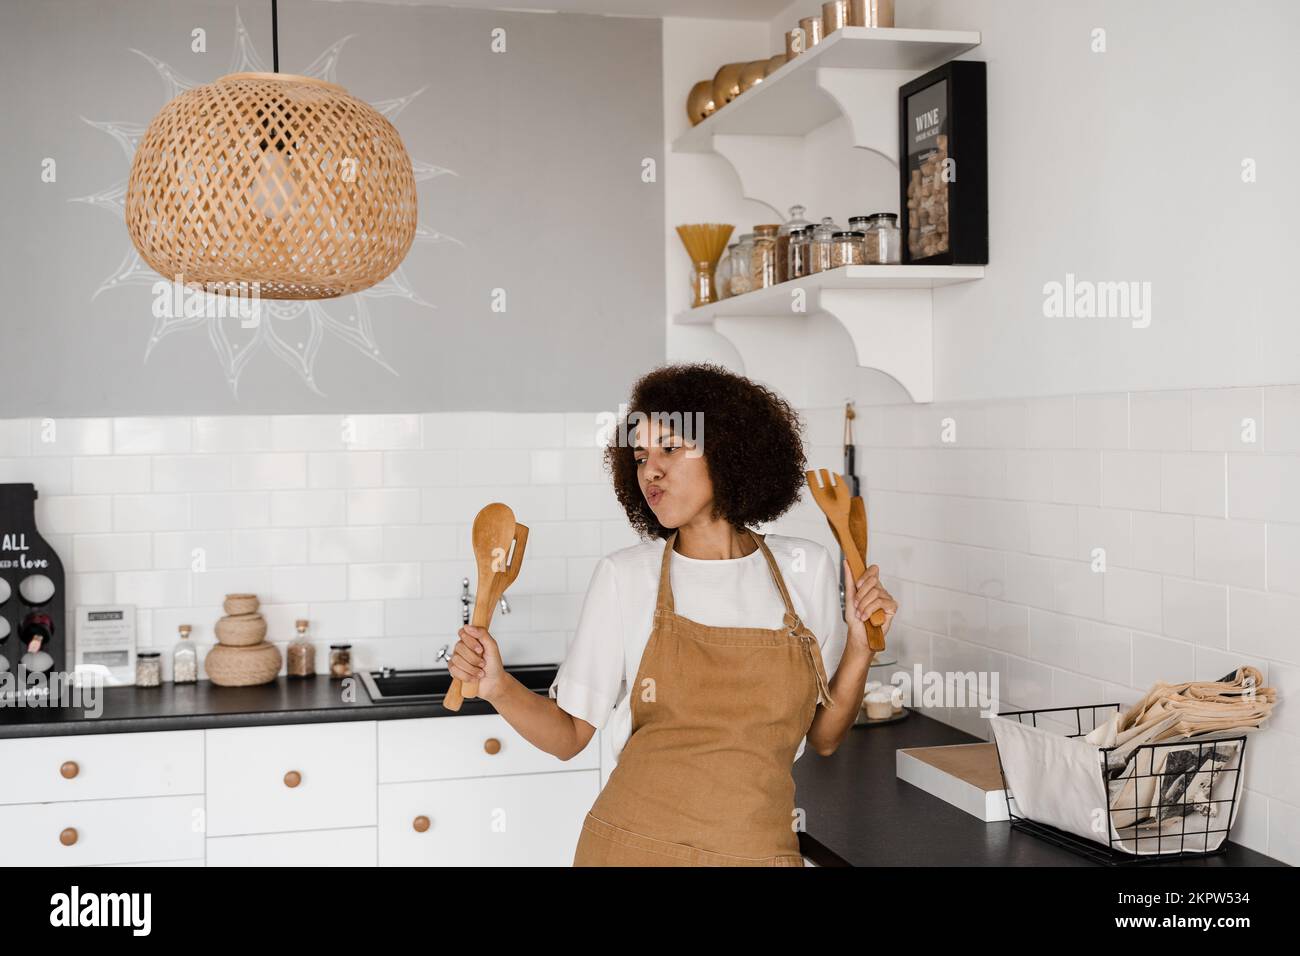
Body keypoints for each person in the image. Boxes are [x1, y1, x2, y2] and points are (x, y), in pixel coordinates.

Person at [447, 362, 897, 866]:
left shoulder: (803, 568)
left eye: (669, 448)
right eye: (640, 457)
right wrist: (497, 685)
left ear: (729, 452)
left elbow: (826, 737)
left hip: (759, 852)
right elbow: (569, 736)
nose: (651, 471)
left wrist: (859, 645)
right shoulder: (627, 577)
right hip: (632, 848)